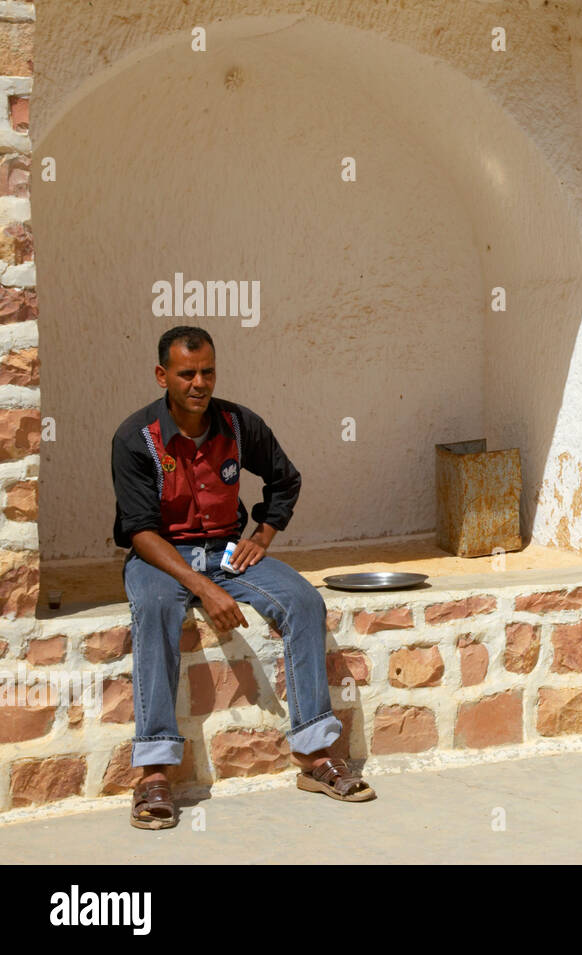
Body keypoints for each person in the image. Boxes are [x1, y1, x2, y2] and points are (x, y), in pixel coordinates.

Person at [111, 325, 375, 829]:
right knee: (156, 609)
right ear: (162, 375)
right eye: (187, 373)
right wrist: (204, 588)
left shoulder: (237, 423)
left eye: (207, 371)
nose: (199, 383)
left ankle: (316, 758)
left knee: (302, 601)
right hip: (162, 556)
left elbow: (284, 478)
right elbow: (140, 532)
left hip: (229, 551)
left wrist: (263, 536)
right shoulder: (135, 437)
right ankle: (154, 773)